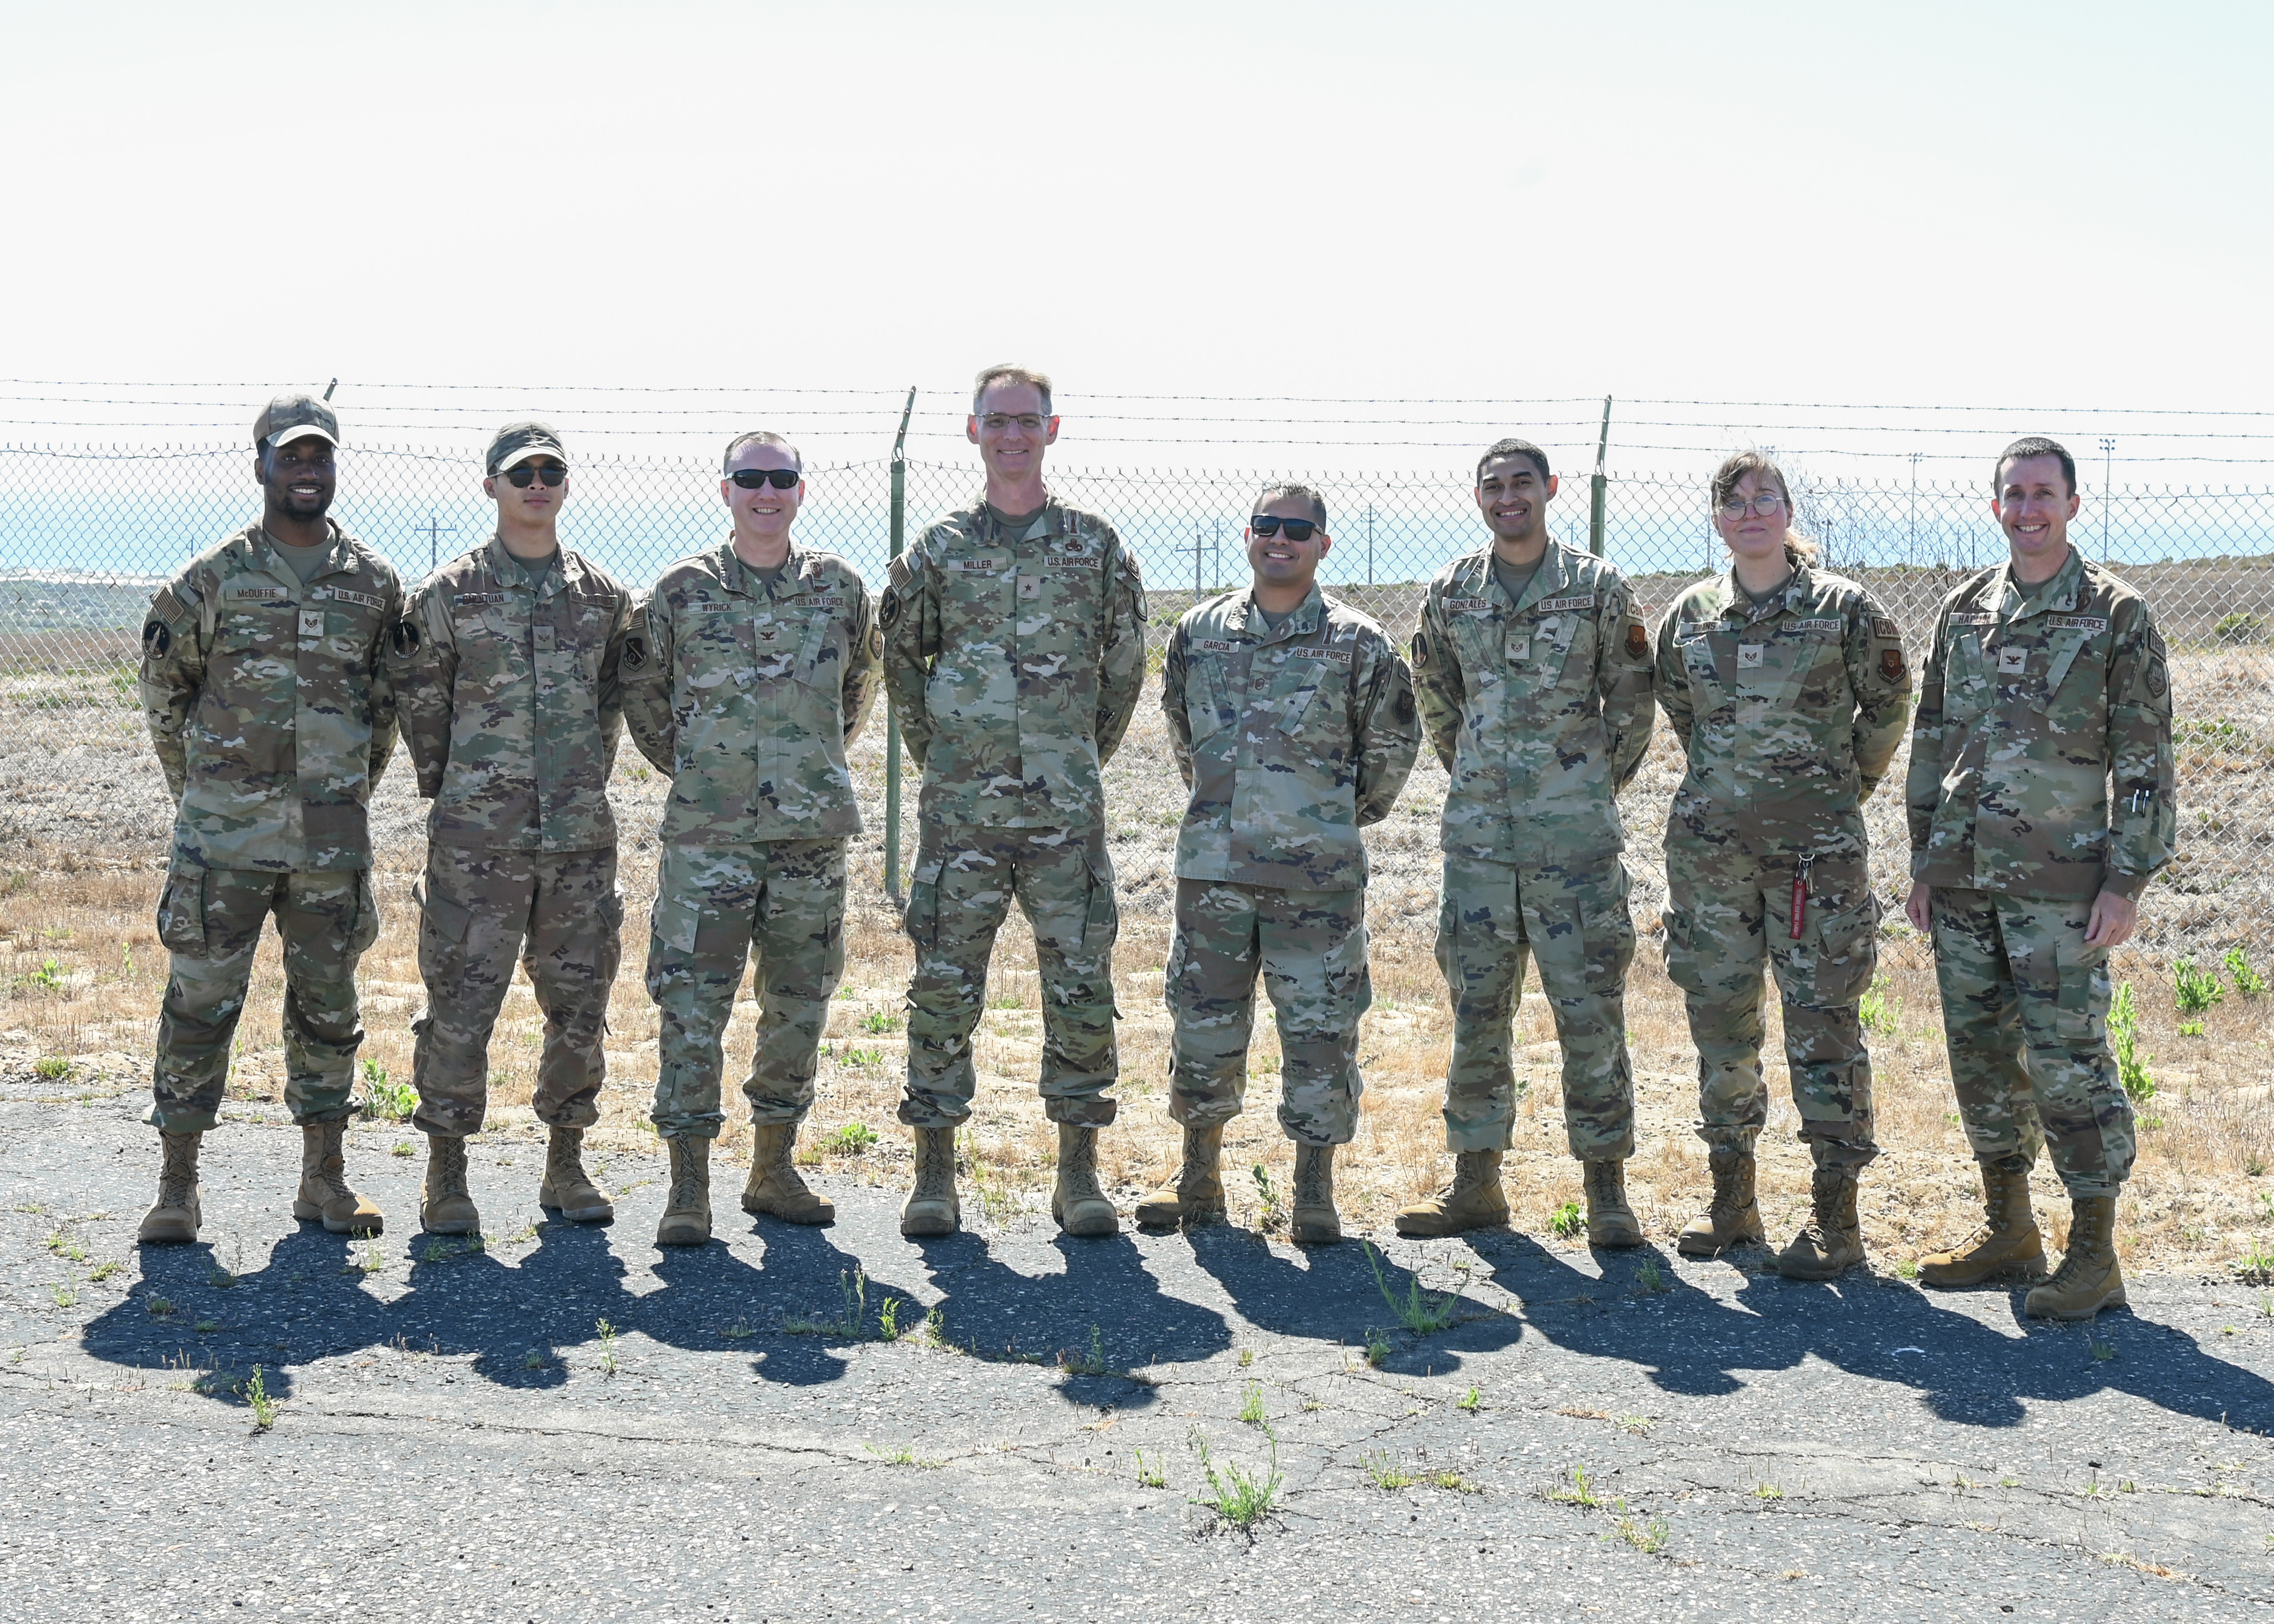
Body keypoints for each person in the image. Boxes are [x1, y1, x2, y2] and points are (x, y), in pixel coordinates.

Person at [1906, 436, 2174, 1320]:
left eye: (2044, 494)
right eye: (2014, 495)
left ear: (2072, 504)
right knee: (1981, 1059)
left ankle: (2093, 1254)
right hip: (1965, 877)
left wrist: (2125, 881)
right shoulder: (1965, 609)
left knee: (2070, 1065)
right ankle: (2010, 1230)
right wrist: (1924, 860)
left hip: (2061, 886)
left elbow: (2145, 758)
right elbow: (1934, 737)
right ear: (1996, 507)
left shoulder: (2115, 614)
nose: (2029, 509)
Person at [878, 364, 1147, 1239]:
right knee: (944, 991)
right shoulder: (938, 551)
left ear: (1052, 429)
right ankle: (935, 1176)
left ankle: (1078, 1176)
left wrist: (1072, 757)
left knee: (1078, 989)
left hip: (1066, 820)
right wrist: (949, 759)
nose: (1012, 437)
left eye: (1026, 421)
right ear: (972, 432)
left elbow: (1123, 670)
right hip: (962, 819)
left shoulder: (1095, 547)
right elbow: (903, 666)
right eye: (997, 422)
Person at [135, 392, 401, 1242]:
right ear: (260, 465)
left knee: (328, 1010)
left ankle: (323, 1180)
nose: (307, 471)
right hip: (223, 842)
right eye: (291, 457)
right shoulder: (210, 580)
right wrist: (207, 794)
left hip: (330, 844)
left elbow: (383, 714)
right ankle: (178, 1188)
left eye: (319, 457)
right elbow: (165, 698)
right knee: (200, 1006)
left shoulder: (372, 584)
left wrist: (341, 794)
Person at [1135, 484, 1419, 1243]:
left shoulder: (1360, 644)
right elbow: (1181, 732)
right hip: (1215, 872)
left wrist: (1323, 817)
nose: (1280, 539)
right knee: (1203, 1027)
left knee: (1320, 1032)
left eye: (1298, 528)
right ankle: (1197, 1178)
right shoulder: (1198, 634)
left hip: (1315, 877)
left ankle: (1313, 1191)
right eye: (1268, 526)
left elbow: (1390, 754)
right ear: (1250, 535)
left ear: (1324, 543)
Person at [1652, 452, 1912, 1277]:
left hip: (1815, 862)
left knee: (1823, 1028)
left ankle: (1836, 1217)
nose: (1751, 511)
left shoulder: (1843, 609)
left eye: (1766, 497)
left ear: (1789, 510)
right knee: (1721, 1028)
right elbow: (1683, 714)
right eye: (1734, 501)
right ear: (1719, 520)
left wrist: (1842, 789)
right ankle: (1733, 1204)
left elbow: (1890, 704)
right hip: (1712, 859)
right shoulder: (1690, 616)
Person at [623, 431, 882, 1245]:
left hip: (810, 836)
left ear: (801, 492)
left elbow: (857, 694)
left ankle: (773, 1169)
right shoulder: (680, 592)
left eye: (781, 479)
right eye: (750, 478)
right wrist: (707, 772)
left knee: (797, 1003)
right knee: (693, 1006)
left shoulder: (839, 588)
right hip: (710, 837)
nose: (765, 492)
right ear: (726, 489)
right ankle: (689, 1188)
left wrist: (804, 766)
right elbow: (647, 704)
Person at [1396, 438, 1656, 1244]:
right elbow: (1435, 696)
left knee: (1590, 1014)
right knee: (1478, 1010)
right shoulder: (1453, 592)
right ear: (1478, 497)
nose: (1509, 498)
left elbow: (1634, 702)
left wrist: (1580, 788)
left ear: (1549, 490)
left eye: (1522, 485)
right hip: (1479, 845)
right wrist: (1479, 777)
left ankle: (1607, 1193)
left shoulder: (1597, 589)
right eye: (1493, 487)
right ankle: (1476, 1182)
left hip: (1574, 846)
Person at [386, 422, 633, 1234]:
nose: (537, 482)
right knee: (460, 1005)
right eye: (520, 471)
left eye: (551, 470)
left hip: (577, 844)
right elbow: (425, 709)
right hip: (477, 845)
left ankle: (566, 1165)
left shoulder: (602, 597)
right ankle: (447, 1176)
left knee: (579, 1008)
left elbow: (607, 711)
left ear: (566, 485)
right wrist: (460, 793)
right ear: (489, 484)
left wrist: (572, 788)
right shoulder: (447, 595)